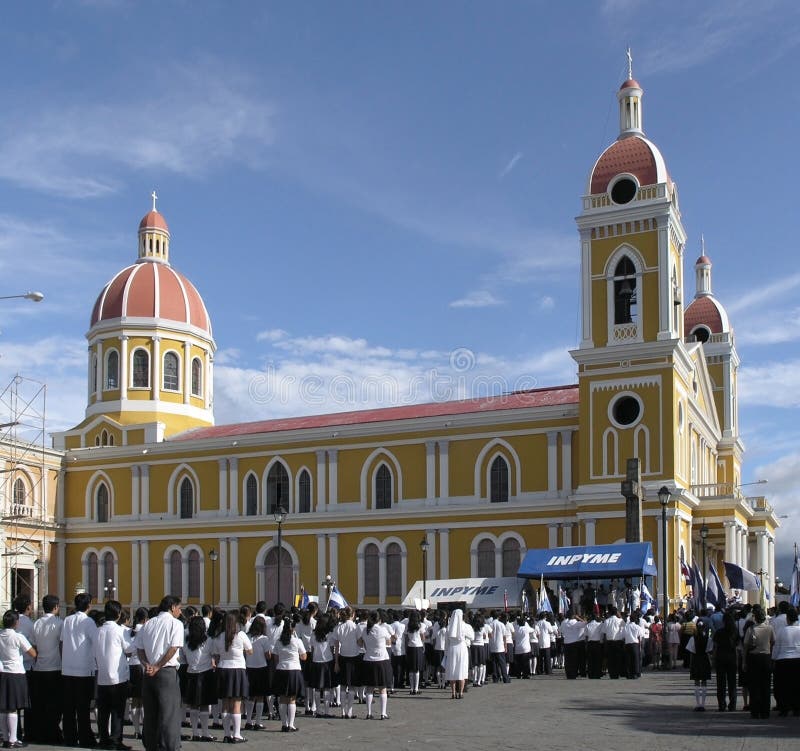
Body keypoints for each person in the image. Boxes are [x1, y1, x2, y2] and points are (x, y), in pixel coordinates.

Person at [136, 595, 185, 751]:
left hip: (148, 673)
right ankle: (170, 746)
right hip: (166, 672)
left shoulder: (148, 624)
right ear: (172, 607)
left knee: (151, 712)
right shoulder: (175, 624)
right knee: (169, 713)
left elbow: (139, 648)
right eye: (179, 608)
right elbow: (173, 648)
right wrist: (157, 666)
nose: (180, 611)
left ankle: (151, 744)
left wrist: (147, 664)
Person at [61, 592, 99, 748]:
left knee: (69, 707)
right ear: (89, 605)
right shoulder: (88, 622)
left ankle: (69, 736)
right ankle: (85, 737)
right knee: (83, 708)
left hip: (68, 668)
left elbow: (62, 642)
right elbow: (96, 642)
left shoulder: (67, 620)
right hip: (84, 670)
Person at [94, 600, 132, 750]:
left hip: (102, 676)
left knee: (103, 712)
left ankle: (103, 739)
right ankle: (115, 740)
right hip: (117, 676)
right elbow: (129, 649)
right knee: (117, 711)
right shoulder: (119, 630)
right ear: (118, 614)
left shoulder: (98, 630)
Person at [212, 610, 252, 743]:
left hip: (223, 669)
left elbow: (216, 655)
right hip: (237, 669)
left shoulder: (219, 636)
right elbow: (250, 651)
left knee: (225, 703)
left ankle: (226, 734)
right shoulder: (240, 635)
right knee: (236, 702)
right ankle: (236, 734)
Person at [29, 594, 63, 745]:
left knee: (40, 704)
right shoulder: (59, 623)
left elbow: (34, 646)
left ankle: (40, 732)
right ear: (56, 607)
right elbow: (62, 645)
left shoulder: (36, 623)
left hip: (39, 668)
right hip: (55, 667)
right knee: (54, 704)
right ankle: (53, 733)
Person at [0, 610, 37, 748]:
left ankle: (5, 737)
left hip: (3, 672)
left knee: (3, 708)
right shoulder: (18, 637)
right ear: (16, 622)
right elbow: (32, 653)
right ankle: (13, 739)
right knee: (13, 708)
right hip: (16, 673)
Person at [183, 615, 217, 742]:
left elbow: (185, 656)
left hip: (191, 673)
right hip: (206, 673)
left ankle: (195, 733)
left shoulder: (186, 641)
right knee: (204, 705)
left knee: (193, 705)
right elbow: (214, 655)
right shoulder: (208, 640)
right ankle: (205, 733)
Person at [271, 616, 307, 732]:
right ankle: (291, 725)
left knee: (282, 698)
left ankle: (284, 724)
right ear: (293, 629)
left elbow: (275, 658)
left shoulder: (278, 641)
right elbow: (304, 656)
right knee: (292, 699)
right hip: (294, 670)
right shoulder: (297, 641)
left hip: (281, 670)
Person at [357, 611, 393, 720]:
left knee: (369, 688)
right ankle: (383, 713)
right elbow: (389, 641)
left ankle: (368, 713)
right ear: (379, 620)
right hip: (382, 659)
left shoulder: (365, 630)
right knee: (383, 688)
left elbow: (359, 643)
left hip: (368, 659)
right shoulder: (382, 630)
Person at [743, 605, 774, 719]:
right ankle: (765, 711)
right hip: (766, 657)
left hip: (753, 658)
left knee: (754, 686)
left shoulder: (751, 629)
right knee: (765, 686)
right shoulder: (769, 628)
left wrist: (744, 662)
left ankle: (755, 711)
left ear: (755, 618)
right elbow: (773, 641)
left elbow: (745, 646)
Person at [333, 606, 362, 720]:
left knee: (343, 686)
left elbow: (336, 647)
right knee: (352, 687)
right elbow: (360, 644)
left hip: (342, 657)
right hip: (354, 657)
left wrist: (336, 662)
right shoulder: (356, 627)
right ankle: (349, 711)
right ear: (353, 615)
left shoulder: (338, 628)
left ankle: (342, 711)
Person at [771, 605, 800, 716]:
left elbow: (776, 647)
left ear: (788, 619)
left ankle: (784, 708)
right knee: (797, 685)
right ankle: (797, 708)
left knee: (783, 686)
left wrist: (773, 659)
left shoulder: (782, 631)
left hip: (783, 660)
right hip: (797, 659)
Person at [712, 610, 738, 712]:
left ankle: (721, 705)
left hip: (721, 658)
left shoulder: (719, 632)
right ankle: (733, 705)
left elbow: (715, 647)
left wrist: (713, 658)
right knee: (732, 683)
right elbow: (738, 647)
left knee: (721, 683)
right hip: (732, 658)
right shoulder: (735, 632)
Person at [444, 609, 472, 698]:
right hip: (462, 648)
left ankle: (453, 693)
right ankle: (460, 693)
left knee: (452, 670)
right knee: (462, 669)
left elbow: (446, 642)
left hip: (452, 649)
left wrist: (446, 652)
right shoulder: (465, 626)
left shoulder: (449, 627)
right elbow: (472, 636)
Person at [686, 618, 712, 711]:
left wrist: (690, 664)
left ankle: (698, 704)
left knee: (696, 682)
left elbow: (691, 652)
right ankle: (703, 704)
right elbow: (709, 651)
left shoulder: (693, 638)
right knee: (704, 682)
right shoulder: (708, 639)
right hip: (705, 660)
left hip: (696, 660)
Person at [404, 610, 426, 695]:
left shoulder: (407, 626)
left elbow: (406, 639)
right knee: (417, 669)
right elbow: (423, 637)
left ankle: (411, 688)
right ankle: (416, 689)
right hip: (418, 647)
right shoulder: (421, 625)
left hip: (410, 647)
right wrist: (423, 646)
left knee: (410, 669)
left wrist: (406, 648)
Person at [560, 609, 587, 679]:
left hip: (566, 643)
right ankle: (573, 674)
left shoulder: (563, 622)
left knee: (568, 660)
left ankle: (568, 674)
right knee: (574, 660)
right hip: (574, 643)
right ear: (573, 615)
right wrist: (578, 618)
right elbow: (585, 623)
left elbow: (560, 630)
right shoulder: (575, 622)